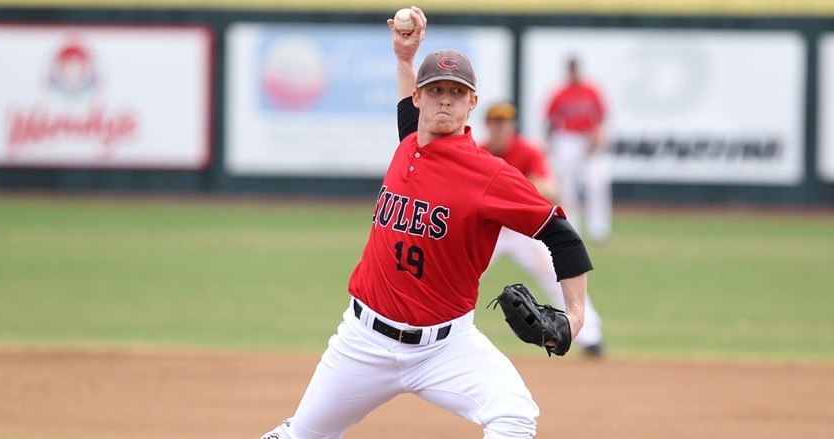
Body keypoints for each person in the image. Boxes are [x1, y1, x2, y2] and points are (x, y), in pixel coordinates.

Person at [259, 7, 593, 439]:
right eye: (435, 90)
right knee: (301, 434)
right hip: (362, 343)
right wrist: (403, 58)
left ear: (473, 102)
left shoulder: (489, 174)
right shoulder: (408, 145)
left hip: (446, 347)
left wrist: (576, 317)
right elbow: (406, 114)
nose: (446, 100)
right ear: (419, 98)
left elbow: (562, 236)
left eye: (457, 91)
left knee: (515, 416)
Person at [480, 102, 605, 357]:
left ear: (513, 126)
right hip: (486, 230)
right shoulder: (479, 152)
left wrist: (515, 188)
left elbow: (549, 188)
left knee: (555, 272)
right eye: (495, 122)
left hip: (520, 231)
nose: (500, 128)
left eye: (505, 122)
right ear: (488, 126)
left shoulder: (527, 152)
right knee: (460, 273)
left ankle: (590, 336)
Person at [545, 57, 612, 243]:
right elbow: (551, 120)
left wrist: (598, 136)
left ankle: (598, 230)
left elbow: (601, 117)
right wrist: (550, 143)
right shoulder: (561, 92)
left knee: (597, 184)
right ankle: (572, 227)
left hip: (588, 136)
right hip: (568, 139)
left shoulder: (591, 90)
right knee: (567, 187)